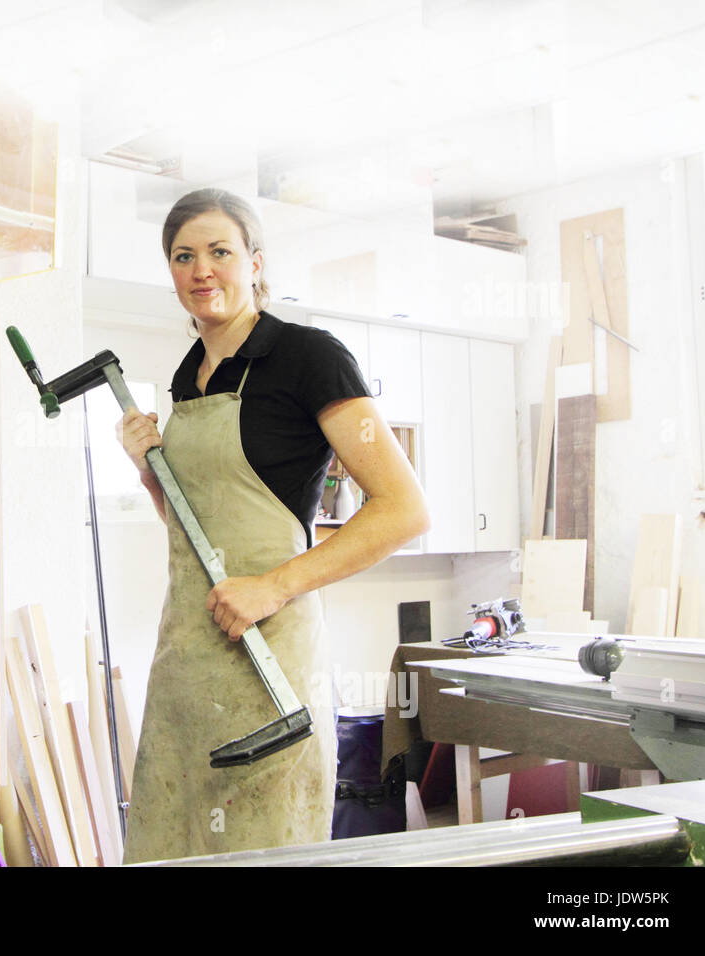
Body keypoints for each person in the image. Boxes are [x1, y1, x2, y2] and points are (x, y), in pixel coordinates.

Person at [115, 188, 430, 864]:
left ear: (255, 262)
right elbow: (192, 530)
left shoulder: (310, 357)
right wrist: (148, 472)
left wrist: (276, 586)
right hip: (187, 660)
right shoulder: (187, 377)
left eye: (219, 252)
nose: (202, 270)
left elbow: (404, 508)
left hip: (270, 664)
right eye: (183, 256)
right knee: (168, 843)